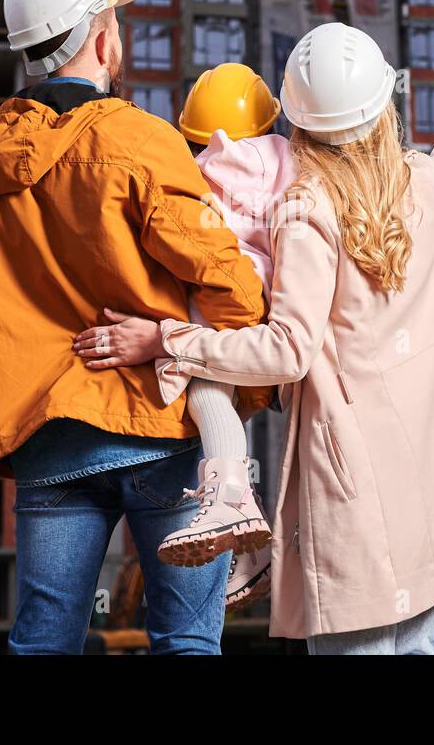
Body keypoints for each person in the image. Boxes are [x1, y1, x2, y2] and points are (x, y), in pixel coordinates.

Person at [74, 22, 434, 654]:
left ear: (297, 123)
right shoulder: (421, 182)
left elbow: (287, 349)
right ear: (383, 108)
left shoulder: (306, 210)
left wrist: (168, 341)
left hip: (357, 494)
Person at [0, 0, 269, 654]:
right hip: (157, 424)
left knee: (43, 642)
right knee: (186, 640)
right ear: (101, 35)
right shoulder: (137, 138)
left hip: (48, 433)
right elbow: (219, 269)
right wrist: (246, 373)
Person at [158, 63, 293, 608]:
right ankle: (250, 552)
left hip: (220, 294)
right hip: (274, 304)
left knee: (204, 386)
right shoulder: (290, 159)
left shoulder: (193, 169)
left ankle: (231, 496)